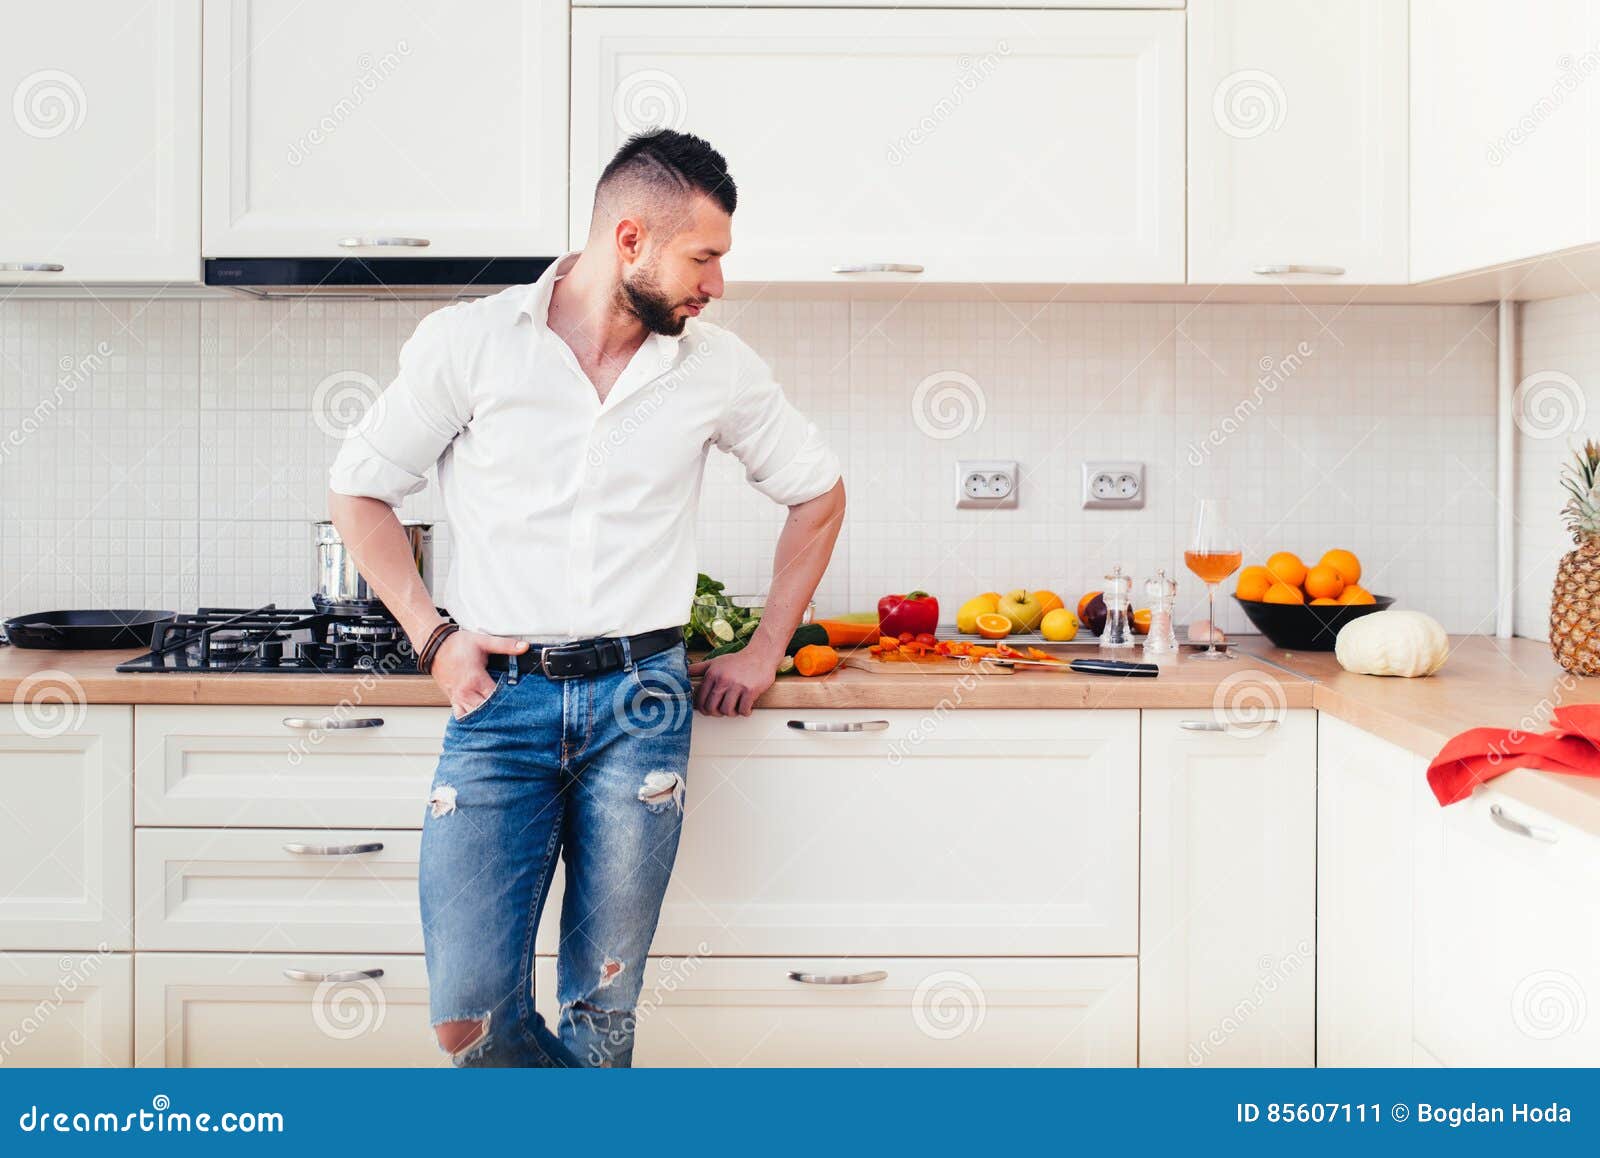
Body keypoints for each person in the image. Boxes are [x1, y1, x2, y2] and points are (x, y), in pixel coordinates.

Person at [326, 129, 845, 1066]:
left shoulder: (715, 368)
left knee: (602, 1015)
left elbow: (818, 491)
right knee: (468, 1018)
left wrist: (766, 645)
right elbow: (359, 490)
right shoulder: (471, 342)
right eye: (706, 257)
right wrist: (432, 635)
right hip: (497, 704)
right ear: (632, 239)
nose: (717, 284)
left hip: (641, 705)